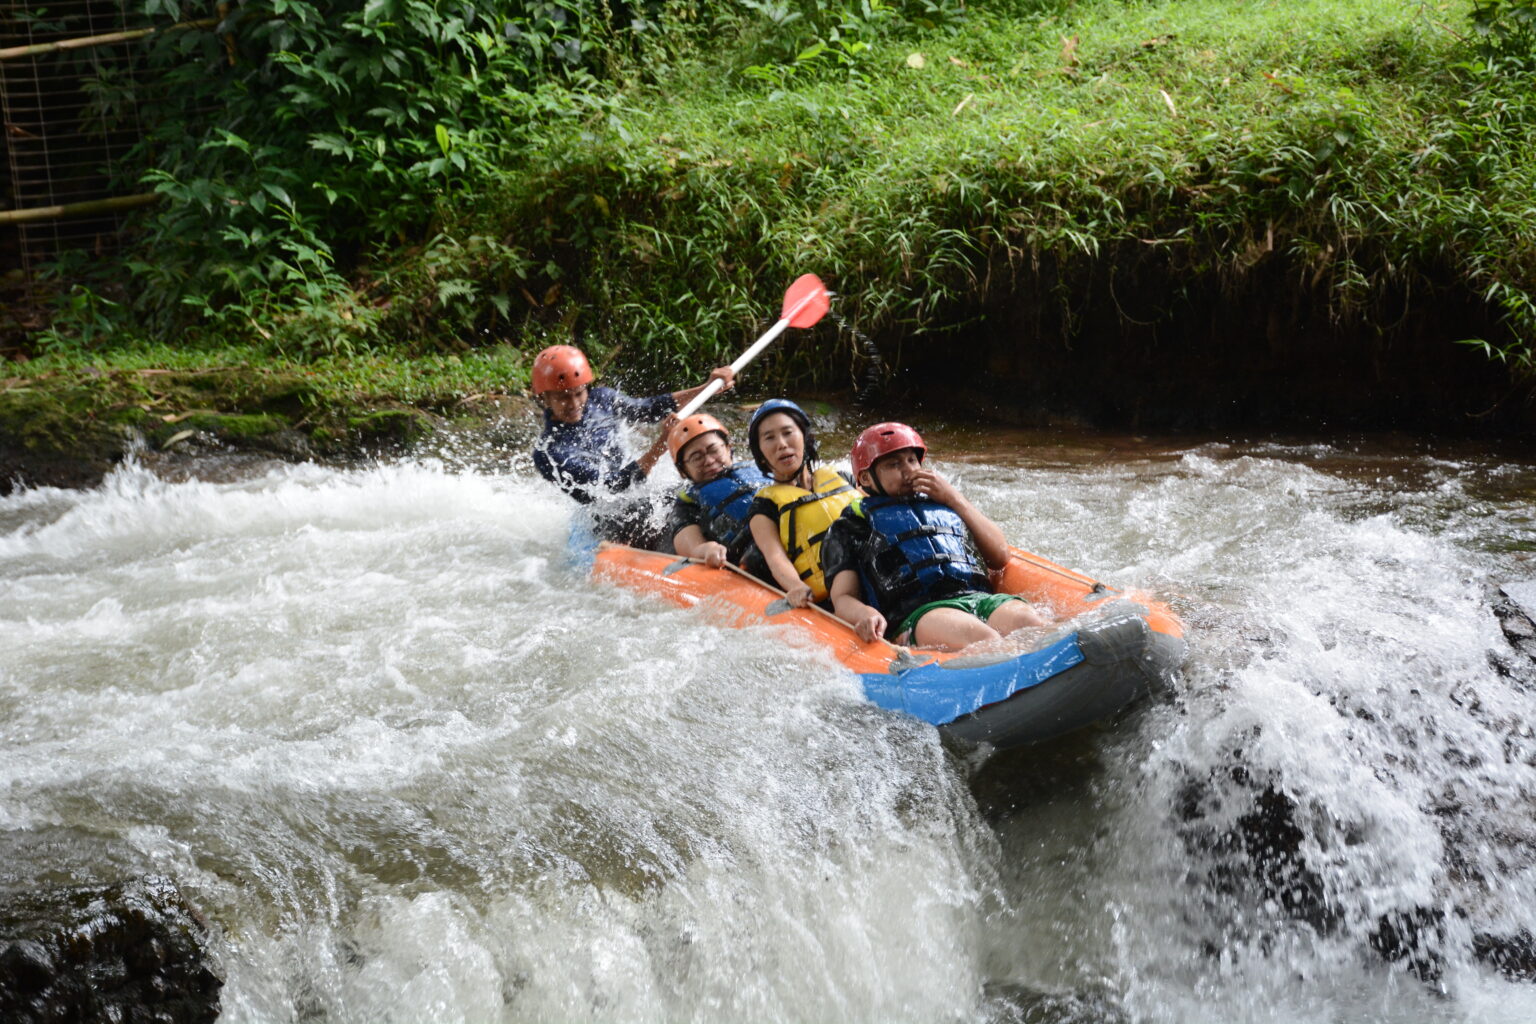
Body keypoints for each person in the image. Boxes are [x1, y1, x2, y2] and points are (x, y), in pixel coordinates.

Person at [821, 422, 1051, 650]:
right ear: (865, 479)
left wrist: (954, 498)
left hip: (976, 598)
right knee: (984, 639)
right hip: (919, 613)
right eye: (894, 464)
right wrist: (865, 613)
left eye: (912, 460)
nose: (909, 470)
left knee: (1032, 624)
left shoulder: (945, 504)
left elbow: (1000, 556)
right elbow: (843, 598)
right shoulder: (850, 526)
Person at [529, 344, 734, 549]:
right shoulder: (549, 452)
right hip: (605, 517)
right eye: (563, 397)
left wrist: (706, 388)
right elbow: (612, 488)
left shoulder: (602, 400)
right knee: (663, 506)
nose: (575, 404)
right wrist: (660, 445)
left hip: (635, 498)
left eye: (578, 393)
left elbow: (648, 409)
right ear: (543, 397)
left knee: (691, 489)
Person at [744, 399, 860, 608]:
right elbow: (775, 558)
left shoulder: (843, 477)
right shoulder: (764, 507)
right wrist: (794, 586)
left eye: (788, 432)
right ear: (760, 454)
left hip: (873, 578)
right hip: (829, 599)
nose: (781, 444)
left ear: (805, 438)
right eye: (769, 438)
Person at [666, 413, 772, 569]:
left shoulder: (764, 468)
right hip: (754, 556)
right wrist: (705, 549)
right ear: (683, 471)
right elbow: (689, 544)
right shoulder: (687, 504)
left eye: (713, 449)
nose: (709, 461)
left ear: (728, 449)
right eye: (696, 457)